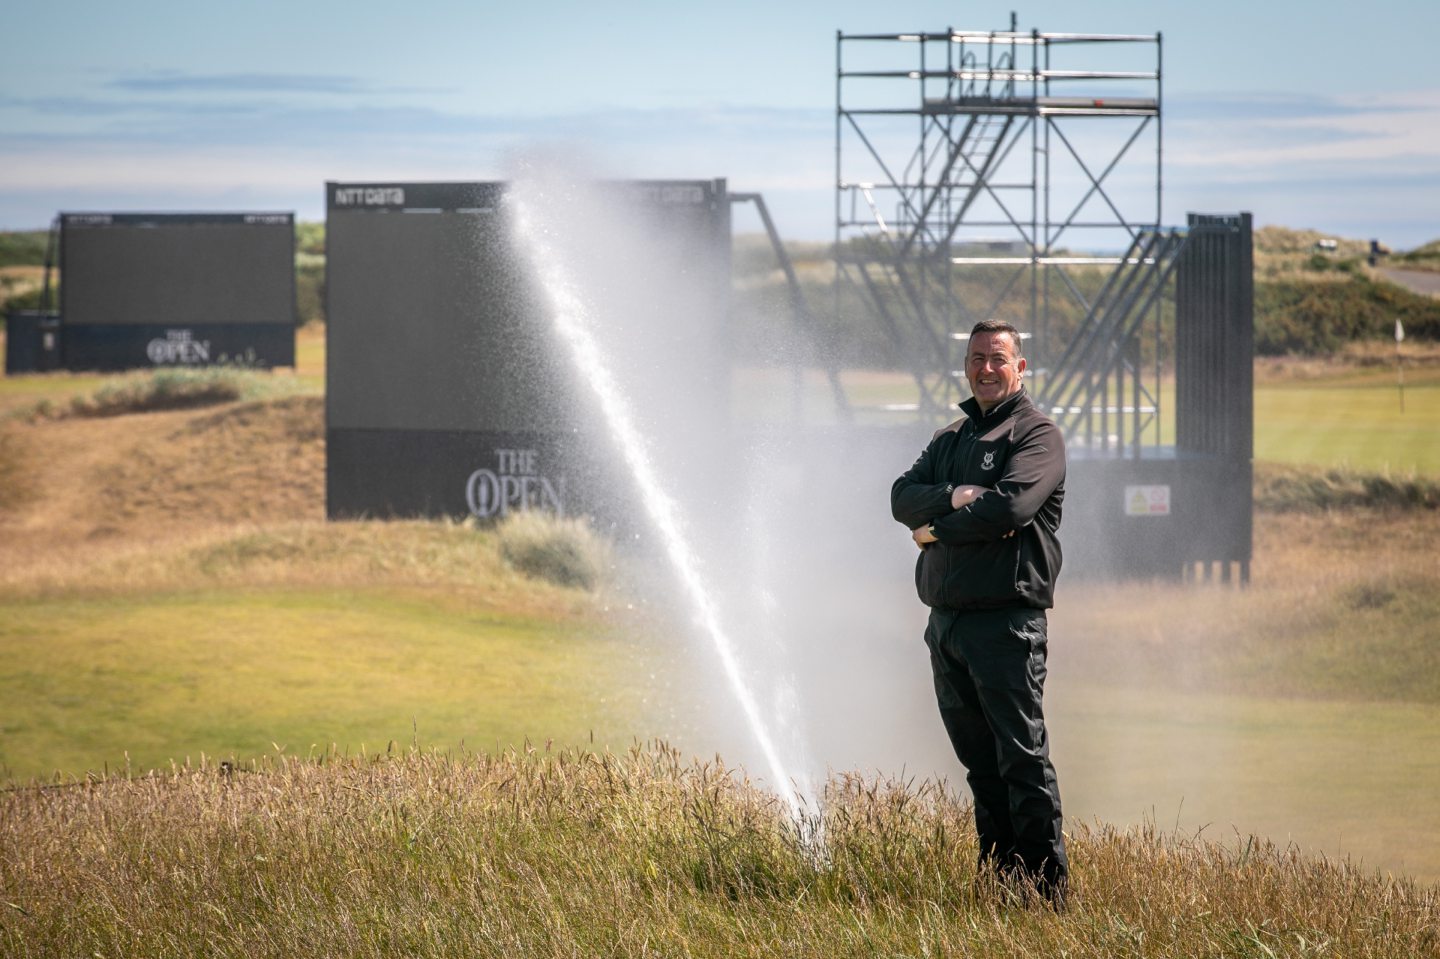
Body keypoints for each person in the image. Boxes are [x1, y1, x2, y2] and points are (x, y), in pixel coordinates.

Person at [890, 318, 1069, 908]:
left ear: (1021, 369)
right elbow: (900, 497)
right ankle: (1000, 889)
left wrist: (935, 527)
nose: (986, 369)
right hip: (947, 625)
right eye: (977, 358)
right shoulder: (952, 439)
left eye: (998, 358)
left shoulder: (1036, 435)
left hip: (1006, 624)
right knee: (980, 764)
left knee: (1020, 759)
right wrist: (955, 496)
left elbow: (1012, 507)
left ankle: (1047, 898)